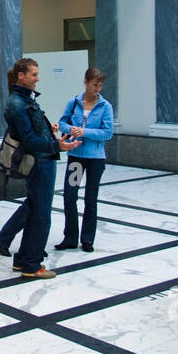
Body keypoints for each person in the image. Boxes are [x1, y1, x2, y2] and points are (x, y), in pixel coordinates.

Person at [0, 57, 79, 279]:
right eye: (34, 74)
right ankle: (32, 265)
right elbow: (29, 139)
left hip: (43, 160)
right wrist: (55, 144)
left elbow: (32, 131)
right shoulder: (17, 104)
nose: (37, 79)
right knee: (40, 215)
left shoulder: (24, 100)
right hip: (40, 163)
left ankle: (23, 260)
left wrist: (47, 130)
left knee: (34, 211)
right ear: (21, 76)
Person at [54, 68, 115, 253]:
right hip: (75, 158)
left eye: (100, 85)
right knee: (70, 196)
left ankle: (87, 239)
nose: (97, 88)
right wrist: (72, 129)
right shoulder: (73, 103)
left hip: (95, 159)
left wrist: (86, 132)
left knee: (91, 198)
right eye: (94, 84)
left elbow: (108, 132)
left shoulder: (105, 106)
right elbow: (62, 123)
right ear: (86, 82)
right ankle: (70, 237)